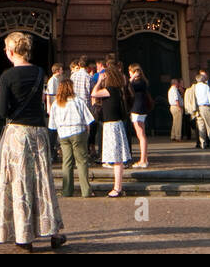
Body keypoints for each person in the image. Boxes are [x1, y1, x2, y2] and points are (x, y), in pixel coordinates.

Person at [0, 31, 65, 250]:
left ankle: (24, 237)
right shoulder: (39, 72)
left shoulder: (7, 76)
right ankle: (52, 231)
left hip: (18, 134)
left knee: (19, 184)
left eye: (6, 49)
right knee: (44, 182)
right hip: (39, 133)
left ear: (11, 51)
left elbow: (2, 110)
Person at [91, 60, 131, 198]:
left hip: (112, 125)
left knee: (116, 157)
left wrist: (98, 81)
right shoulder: (116, 90)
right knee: (116, 158)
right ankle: (117, 186)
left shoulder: (110, 90)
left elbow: (94, 93)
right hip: (114, 124)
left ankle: (117, 187)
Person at [49, 77, 93, 198]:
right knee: (82, 161)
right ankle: (86, 190)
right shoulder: (78, 101)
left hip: (63, 133)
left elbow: (52, 125)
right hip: (78, 131)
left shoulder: (56, 104)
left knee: (67, 162)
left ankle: (67, 190)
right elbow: (88, 119)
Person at [128, 63, 151, 168]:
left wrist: (132, 78)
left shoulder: (138, 82)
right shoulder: (144, 81)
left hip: (137, 109)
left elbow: (127, 85)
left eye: (130, 71)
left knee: (141, 135)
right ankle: (144, 159)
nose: (129, 73)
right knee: (142, 134)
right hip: (141, 109)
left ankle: (143, 160)